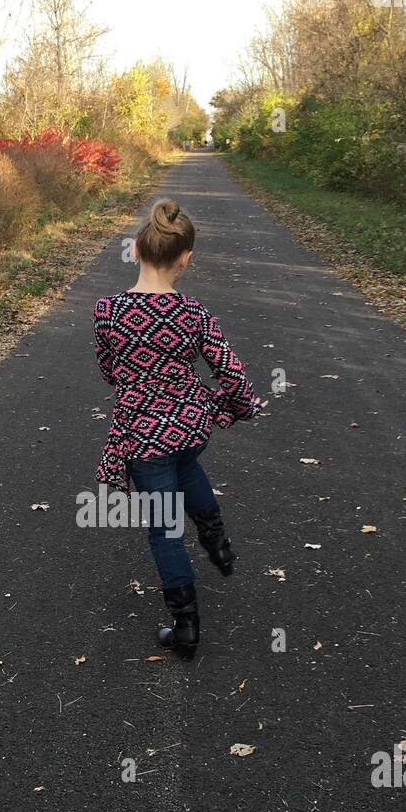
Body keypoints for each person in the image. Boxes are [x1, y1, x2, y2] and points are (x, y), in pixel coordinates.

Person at [93, 198, 262, 659]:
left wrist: (140, 378)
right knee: (186, 466)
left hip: (144, 435)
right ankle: (217, 543)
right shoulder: (194, 313)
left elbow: (111, 372)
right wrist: (242, 406)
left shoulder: (107, 312)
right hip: (189, 422)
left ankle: (186, 628)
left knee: (164, 530)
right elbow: (229, 371)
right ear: (184, 259)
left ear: (139, 252)